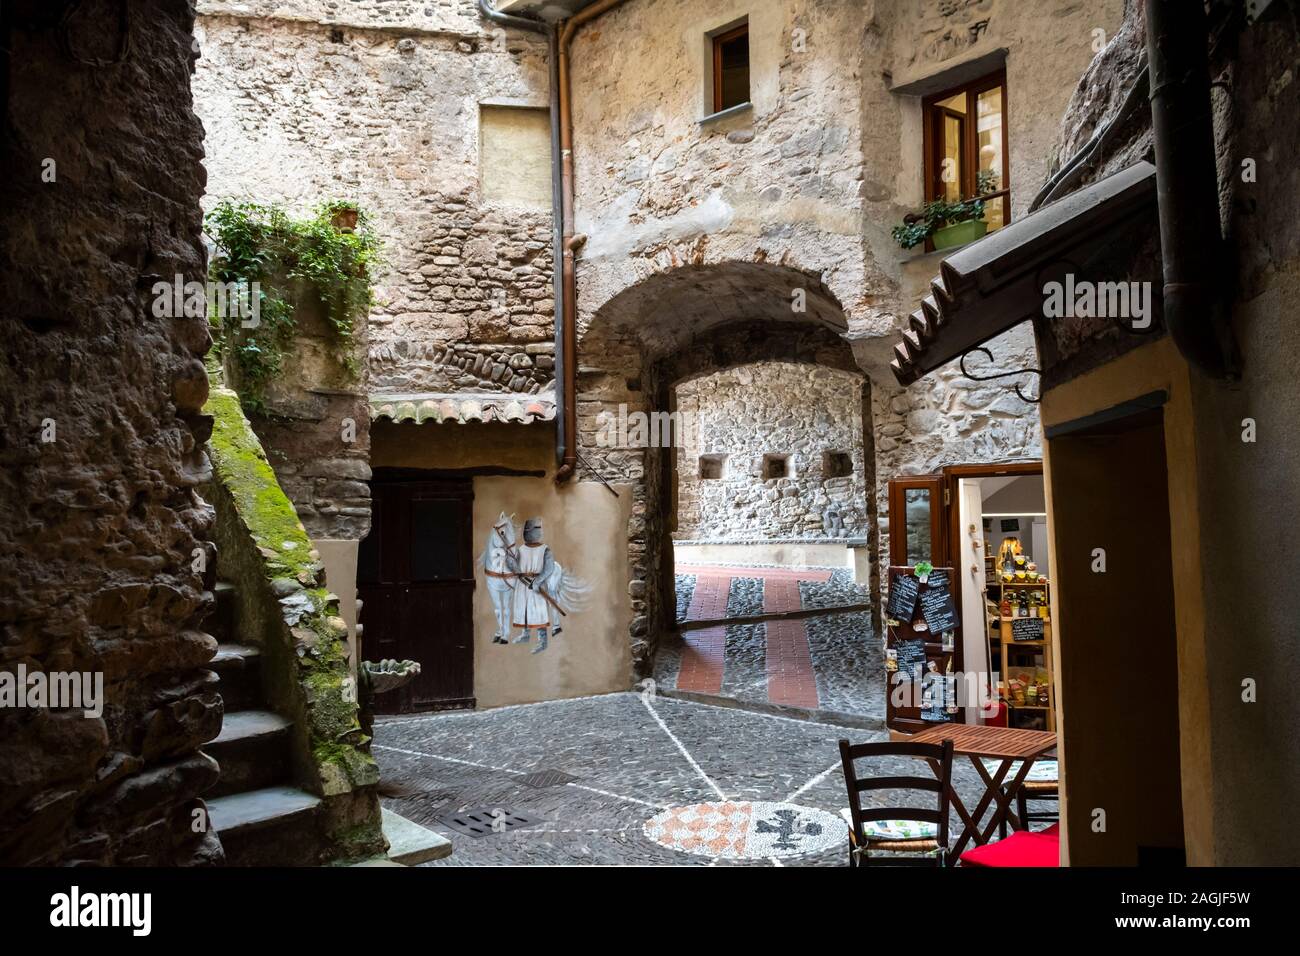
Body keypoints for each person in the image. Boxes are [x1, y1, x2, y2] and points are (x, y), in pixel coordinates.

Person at [511, 517, 557, 653]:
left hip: (538, 584)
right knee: (524, 609)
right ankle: (525, 635)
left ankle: (542, 641)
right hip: (523, 584)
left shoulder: (545, 550)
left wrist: (538, 581)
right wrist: (515, 568)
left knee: (538, 612)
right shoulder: (521, 549)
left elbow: (549, 568)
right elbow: (516, 565)